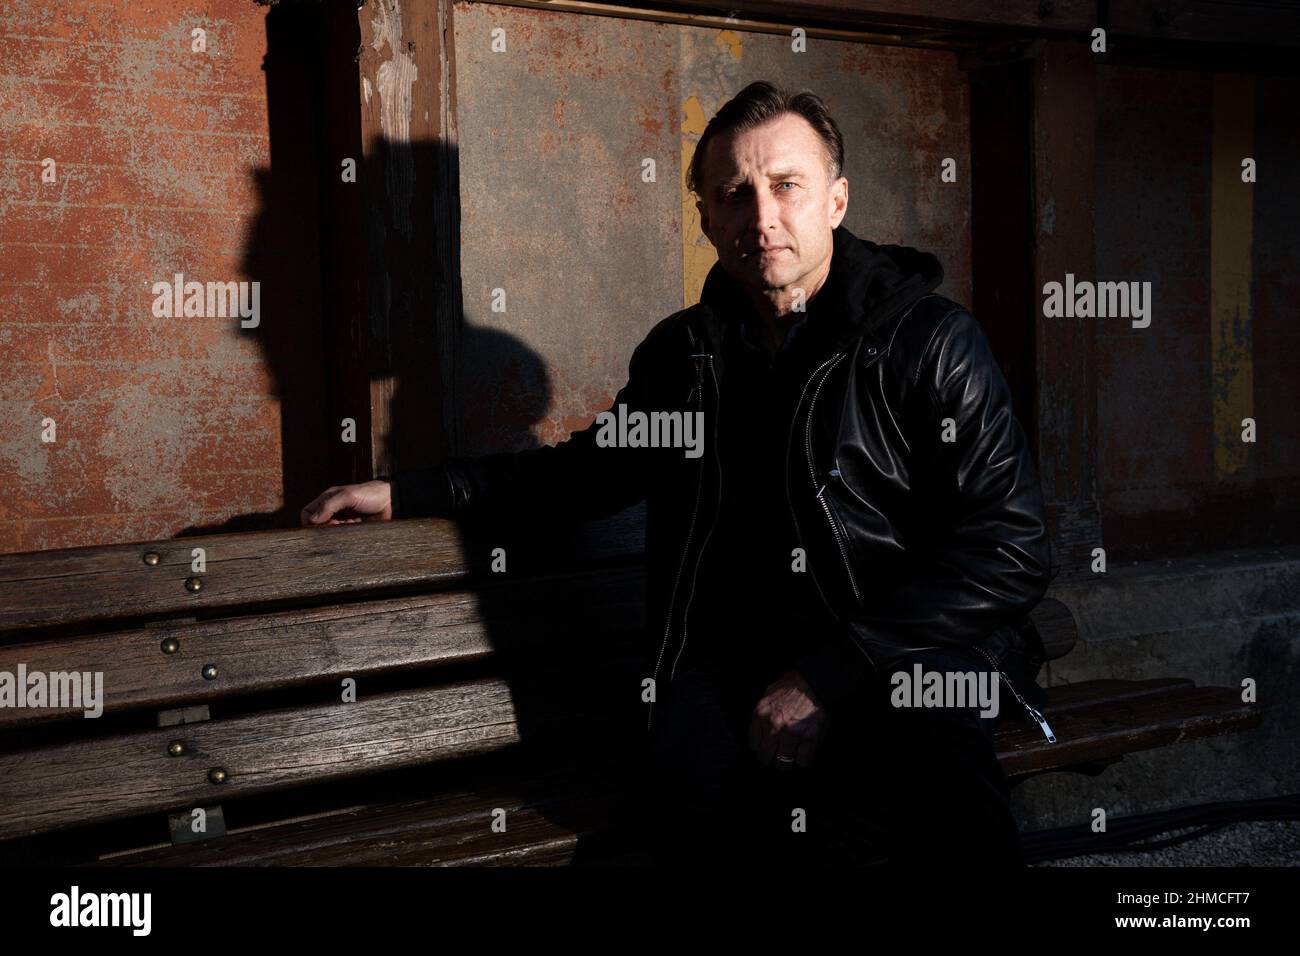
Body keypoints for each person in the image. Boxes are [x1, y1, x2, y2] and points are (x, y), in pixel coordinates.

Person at [302, 80, 1054, 866]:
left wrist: (829, 676)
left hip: (900, 655)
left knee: (936, 797)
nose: (762, 219)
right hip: (730, 676)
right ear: (705, 218)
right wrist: (415, 491)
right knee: (698, 817)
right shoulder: (687, 357)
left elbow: (1012, 549)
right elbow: (585, 476)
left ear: (835, 201)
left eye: (786, 186)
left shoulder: (930, 344)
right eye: (735, 194)